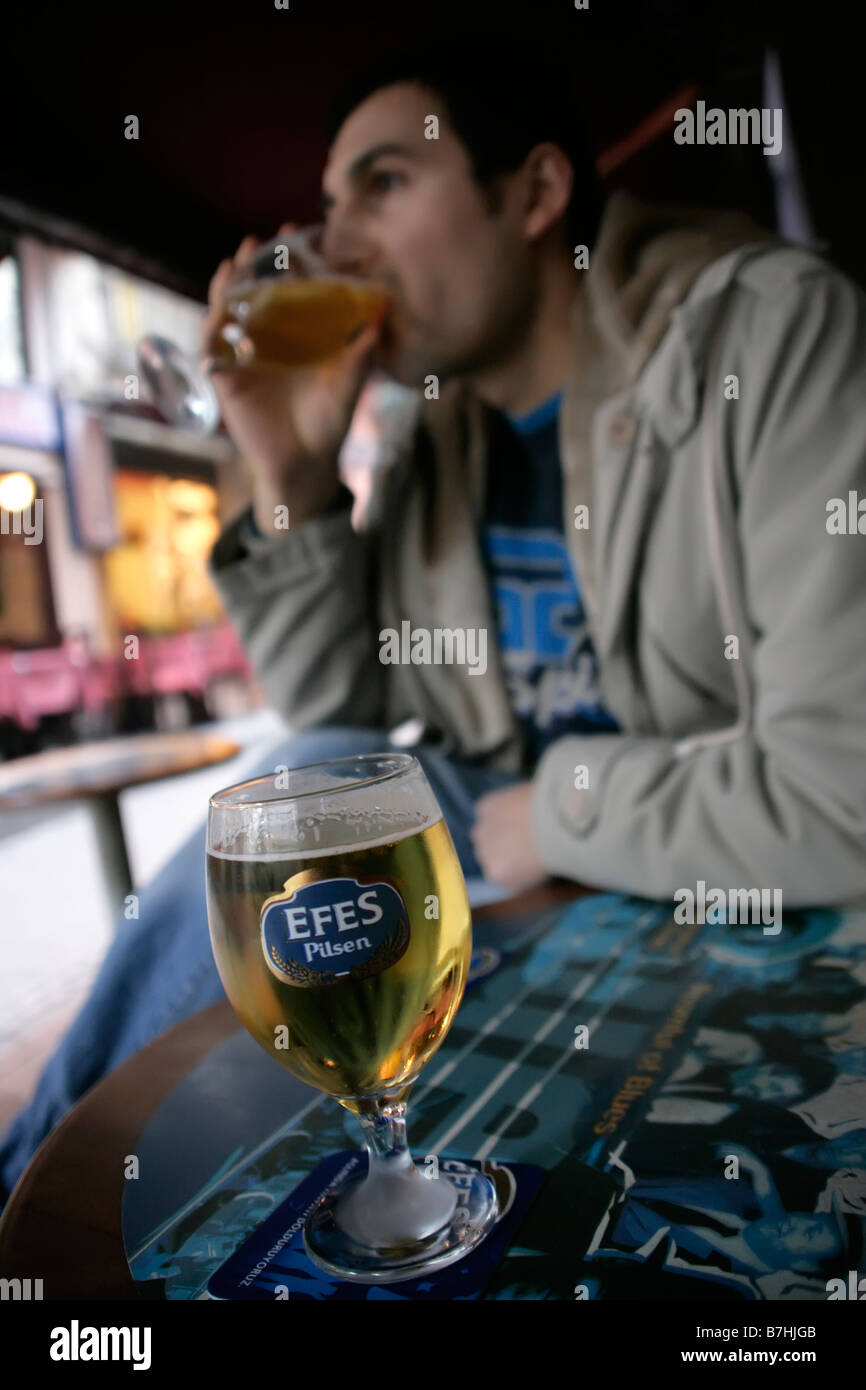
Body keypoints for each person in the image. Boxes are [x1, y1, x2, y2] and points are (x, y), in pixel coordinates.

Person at [3, 32, 866, 1205]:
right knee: (296, 797)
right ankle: (40, 1199)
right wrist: (290, 471)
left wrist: (552, 809)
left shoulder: (764, 337)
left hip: (718, 894)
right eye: (326, 203)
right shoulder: (431, 432)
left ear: (534, 192)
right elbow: (337, 712)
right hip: (525, 893)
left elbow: (842, 793)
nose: (337, 239)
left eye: (385, 183)